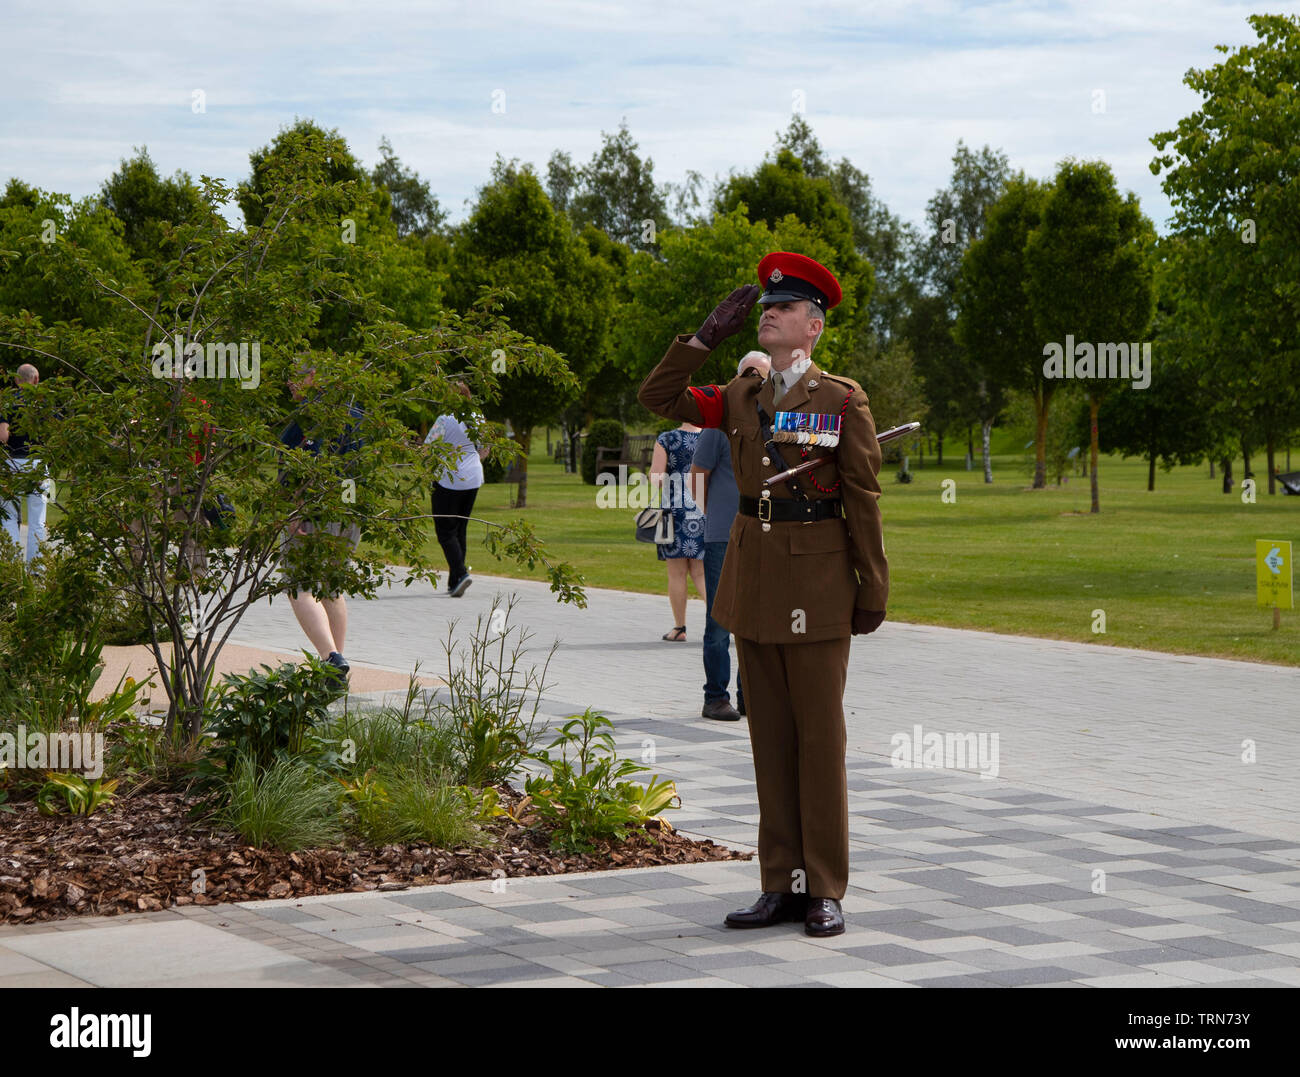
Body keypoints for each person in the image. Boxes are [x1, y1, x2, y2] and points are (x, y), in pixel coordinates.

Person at [638, 252, 888, 939]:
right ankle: (779, 884)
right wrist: (700, 340)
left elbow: (863, 496)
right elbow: (658, 398)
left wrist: (873, 585)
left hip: (819, 581)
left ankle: (825, 887)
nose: (767, 312)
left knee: (819, 739)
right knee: (770, 741)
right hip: (755, 583)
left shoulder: (841, 399)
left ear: (812, 327)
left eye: (783, 308)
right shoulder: (741, 394)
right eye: (764, 307)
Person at [691, 350, 770, 722]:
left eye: (764, 376)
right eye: (751, 374)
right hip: (723, 533)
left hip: (762, 533)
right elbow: (698, 474)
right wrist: (714, 515)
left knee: (754, 620)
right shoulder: (717, 424)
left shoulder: (770, 421)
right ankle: (715, 696)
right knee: (720, 620)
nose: (757, 381)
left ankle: (749, 695)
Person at [279, 361, 364, 680]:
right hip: (349, 509)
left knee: (298, 585)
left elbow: (302, 465)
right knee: (331, 585)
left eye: (294, 379)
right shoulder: (354, 413)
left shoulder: (309, 417)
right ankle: (336, 666)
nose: (290, 386)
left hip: (315, 511)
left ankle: (331, 657)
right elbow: (357, 468)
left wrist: (298, 506)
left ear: (313, 376)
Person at [425, 382, 488, 597]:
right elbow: (485, 448)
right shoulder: (477, 419)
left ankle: (461, 573)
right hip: (473, 476)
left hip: (448, 478)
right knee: (460, 527)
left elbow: (428, 448)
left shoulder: (444, 420)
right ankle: (454, 582)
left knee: (445, 530)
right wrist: (472, 461)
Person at [649, 419, 706, 641]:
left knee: (677, 573)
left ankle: (679, 628)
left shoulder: (667, 439)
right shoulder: (711, 437)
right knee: (701, 573)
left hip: (673, 511)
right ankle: (719, 625)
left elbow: (656, 478)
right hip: (702, 509)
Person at [0, 364, 50, 563]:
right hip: (37, 464)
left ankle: (12, 568)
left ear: (16, 380)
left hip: (12, 462)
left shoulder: (8, 402)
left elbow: (3, 436)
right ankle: (36, 571)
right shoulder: (45, 402)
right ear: (36, 379)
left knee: (9, 517)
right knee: (38, 520)